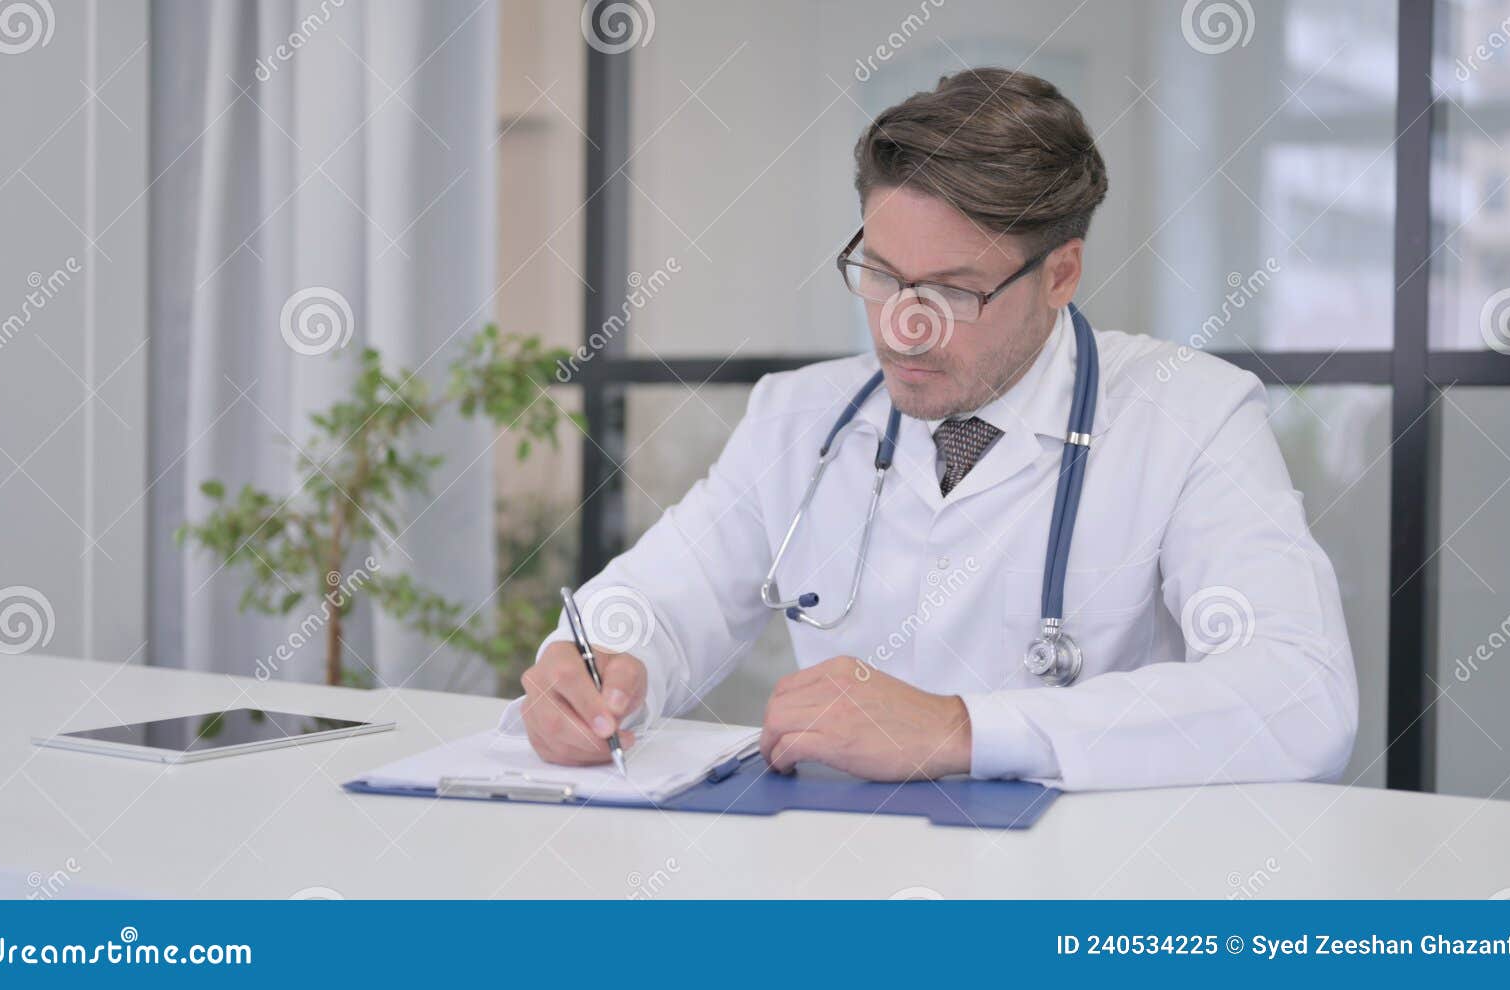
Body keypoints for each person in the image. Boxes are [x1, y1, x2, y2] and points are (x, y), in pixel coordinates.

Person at [514, 68, 1357, 791]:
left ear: (1060, 272)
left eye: (955, 290)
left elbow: (1300, 695)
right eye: (881, 275)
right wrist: (596, 676)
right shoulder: (799, 417)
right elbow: (655, 604)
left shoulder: (1192, 416)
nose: (901, 328)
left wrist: (961, 730)